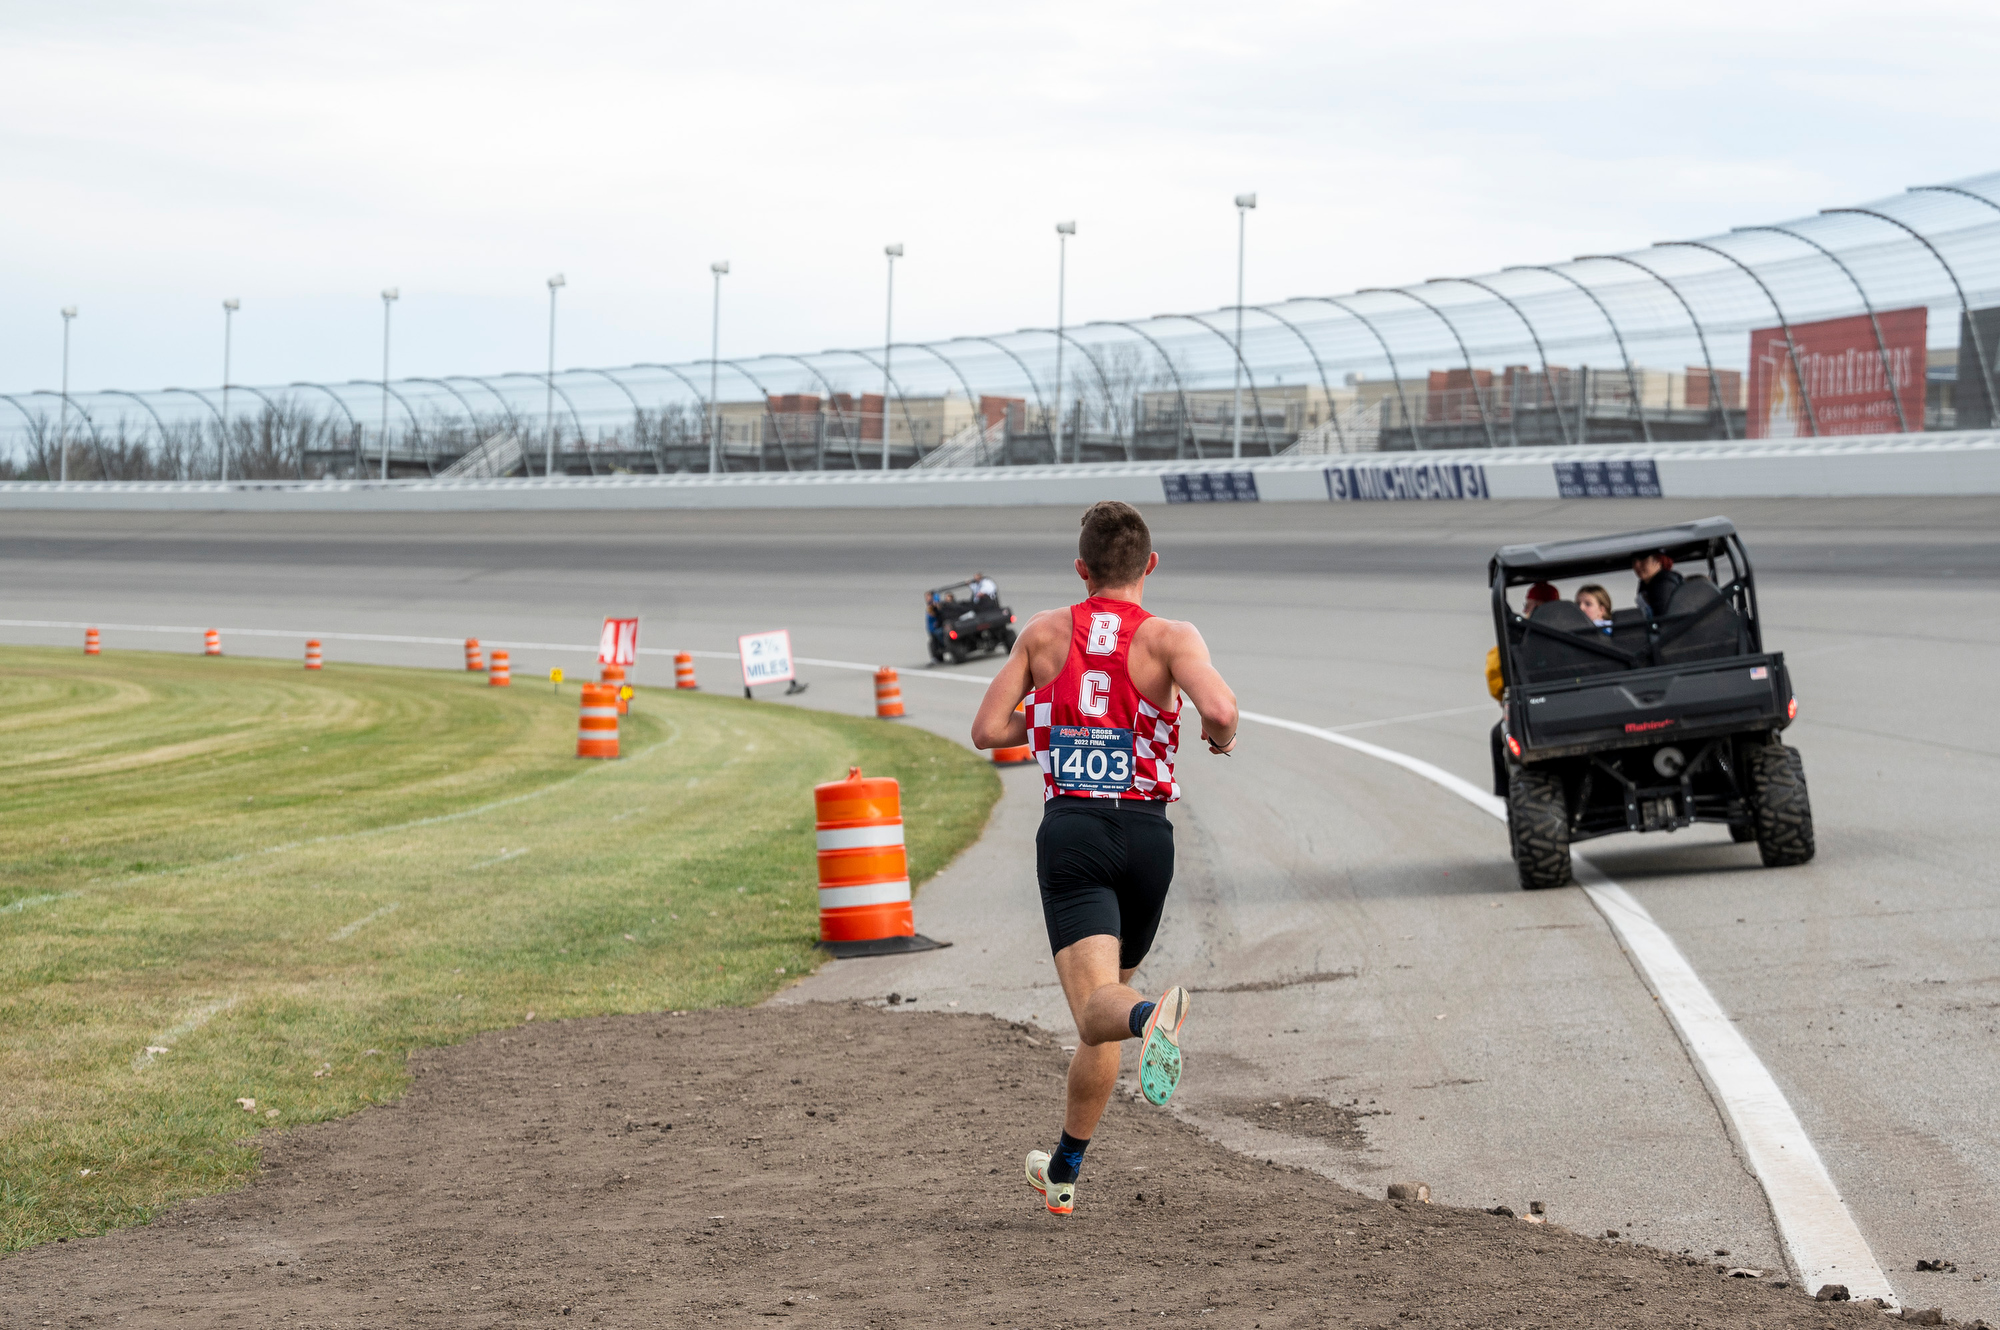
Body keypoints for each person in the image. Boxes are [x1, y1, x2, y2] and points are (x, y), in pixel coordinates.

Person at [970, 500, 1239, 1218]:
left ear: (1082, 570)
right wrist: (1217, 738)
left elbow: (987, 728)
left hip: (1077, 833)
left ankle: (1155, 1014)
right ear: (1150, 566)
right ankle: (1063, 1169)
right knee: (1107, 1001)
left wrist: (1056, 715)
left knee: (1101, 1012)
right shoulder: (1173, 637)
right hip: (1149, 839)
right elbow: (1220, 710)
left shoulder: (1045, 633)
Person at [1488, 581, 1559, 796]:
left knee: (1498, 735)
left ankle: (1507, 797)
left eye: (1528, 606)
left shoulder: (1524, 635)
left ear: (1537, 607)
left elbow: (1496, 677)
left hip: (1537, 708)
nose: (1525, 611)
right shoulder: (1577, 629)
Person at [1633, 553, 1683, 619]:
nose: (1637, 565)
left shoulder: (1665, 584)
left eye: (1643, 559)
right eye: (1634, 562)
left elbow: (1663, 619)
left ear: (1658, 562)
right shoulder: (1646, 585)